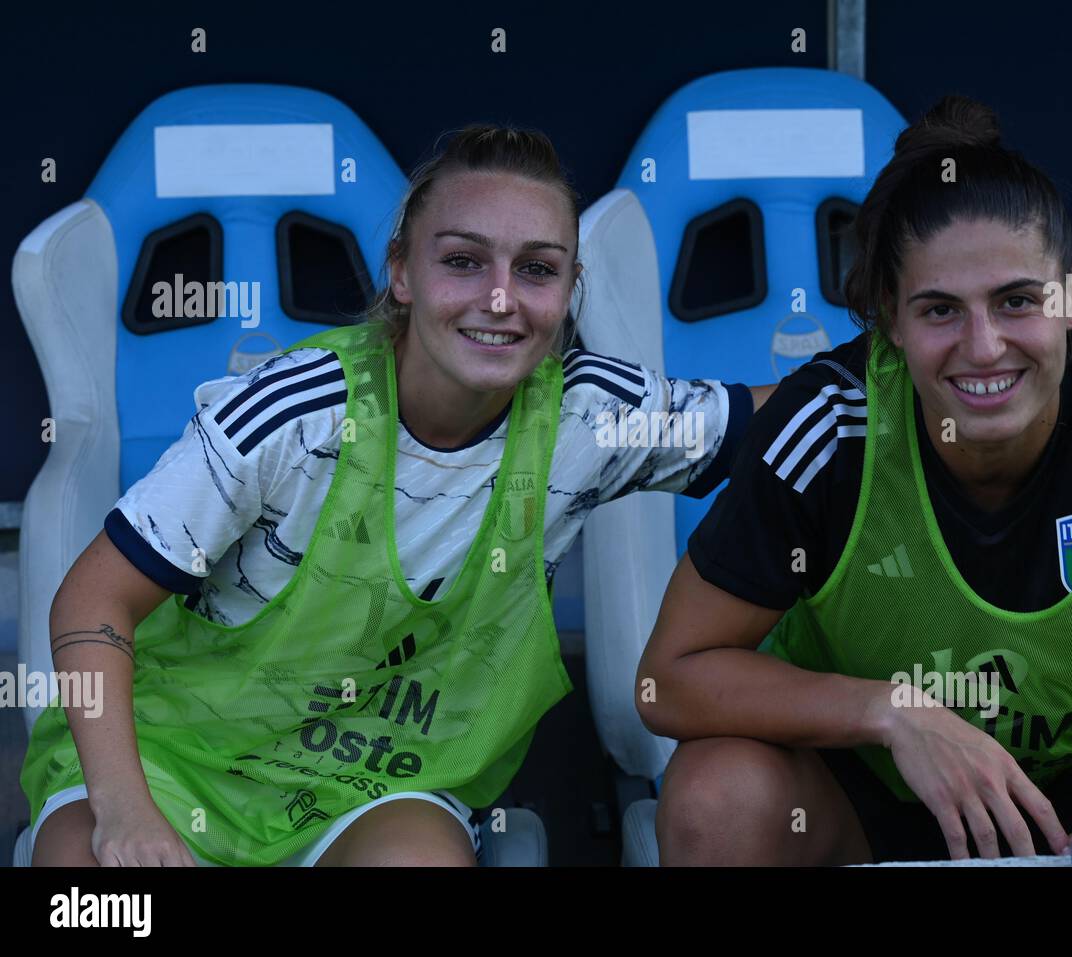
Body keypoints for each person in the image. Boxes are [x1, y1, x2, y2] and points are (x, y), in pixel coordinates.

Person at [23, 125, 770, 866]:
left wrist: (887, 350)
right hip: (167, 762)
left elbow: (798, 415)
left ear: (569, 290)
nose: (501, 297)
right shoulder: (296, 412)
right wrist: (126, 812)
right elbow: (91, 601)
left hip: (374, 790)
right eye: (464, 261)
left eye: (537, 269)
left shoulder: (588, 416)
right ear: (402, 273)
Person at [637, 96, 1072, 865]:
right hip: (881, 792)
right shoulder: (828, 425)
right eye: (940, 310)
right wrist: (892, 711)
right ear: (889, 316)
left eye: (1017, 300)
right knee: (715, 793)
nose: (983, 348)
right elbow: (667, 680)